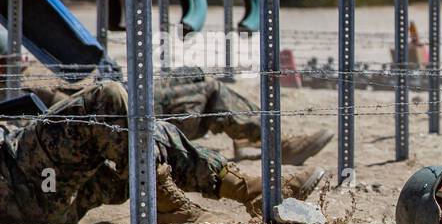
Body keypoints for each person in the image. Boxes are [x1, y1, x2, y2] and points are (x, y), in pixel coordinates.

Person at [2, 80, 324, 224]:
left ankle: (250, 190)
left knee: (146, 130)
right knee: (108, 98)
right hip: (21, 176)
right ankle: (161, 196)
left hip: (51, 193)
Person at [24, 67, 332, 166]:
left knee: (196, 78)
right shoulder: (20, 84)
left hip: (98, 104)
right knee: (207, 91)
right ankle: (277, 144)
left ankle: (268, 140)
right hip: (107, 119)